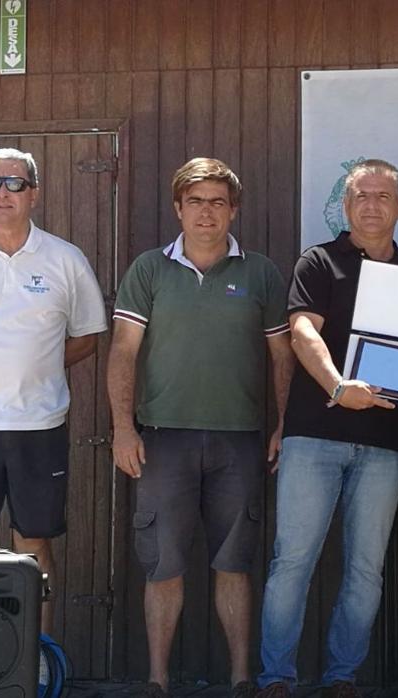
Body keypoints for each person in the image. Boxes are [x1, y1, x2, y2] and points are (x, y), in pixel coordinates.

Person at [107, 158, 294, 698]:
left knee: (234, 562)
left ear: (233, 210)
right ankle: (157, 682)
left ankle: (242, 679)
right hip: (162, 438)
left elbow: (282, 356)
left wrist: (282, 424)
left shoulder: (260, 272)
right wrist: (124, 428)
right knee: (163, 564)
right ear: (177, 208)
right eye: (195, 201)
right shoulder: (148, 270)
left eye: (217, 201)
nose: (206, 212)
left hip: (240, 441)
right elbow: (123, 352)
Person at [255, 159, 398, 698]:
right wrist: (337, 387)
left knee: (365, 570)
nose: (372, 205)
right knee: (293, 562)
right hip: (314, 435)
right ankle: (276, 678)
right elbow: (303, 332)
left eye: (383, 196)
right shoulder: (319, 261)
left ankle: (341, 678)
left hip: (385, 443)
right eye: (361, 196)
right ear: (346, 205)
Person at [0, 147, 108, 634]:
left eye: (14, 183)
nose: (3, 192)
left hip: (38, 424)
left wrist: (36, 365)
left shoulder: (65, 259)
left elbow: (88, 337)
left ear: (34, 193)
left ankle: (38, 659)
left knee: (35, 544)